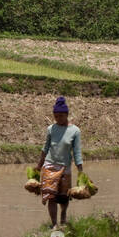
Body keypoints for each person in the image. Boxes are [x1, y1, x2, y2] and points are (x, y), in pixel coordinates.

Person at [36, 95, 84, 228]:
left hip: (65, 167)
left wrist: (80, 171)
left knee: (63, 197)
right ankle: (54, 224)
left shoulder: (75, 131)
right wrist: (39, 165)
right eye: (56, 116)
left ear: (67, 115)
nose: (58, 119)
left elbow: (77, 152)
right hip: (50, 165)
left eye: (61, 116)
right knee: (51, 196)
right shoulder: (51, 129)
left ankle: (63, 214)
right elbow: (45, 148)